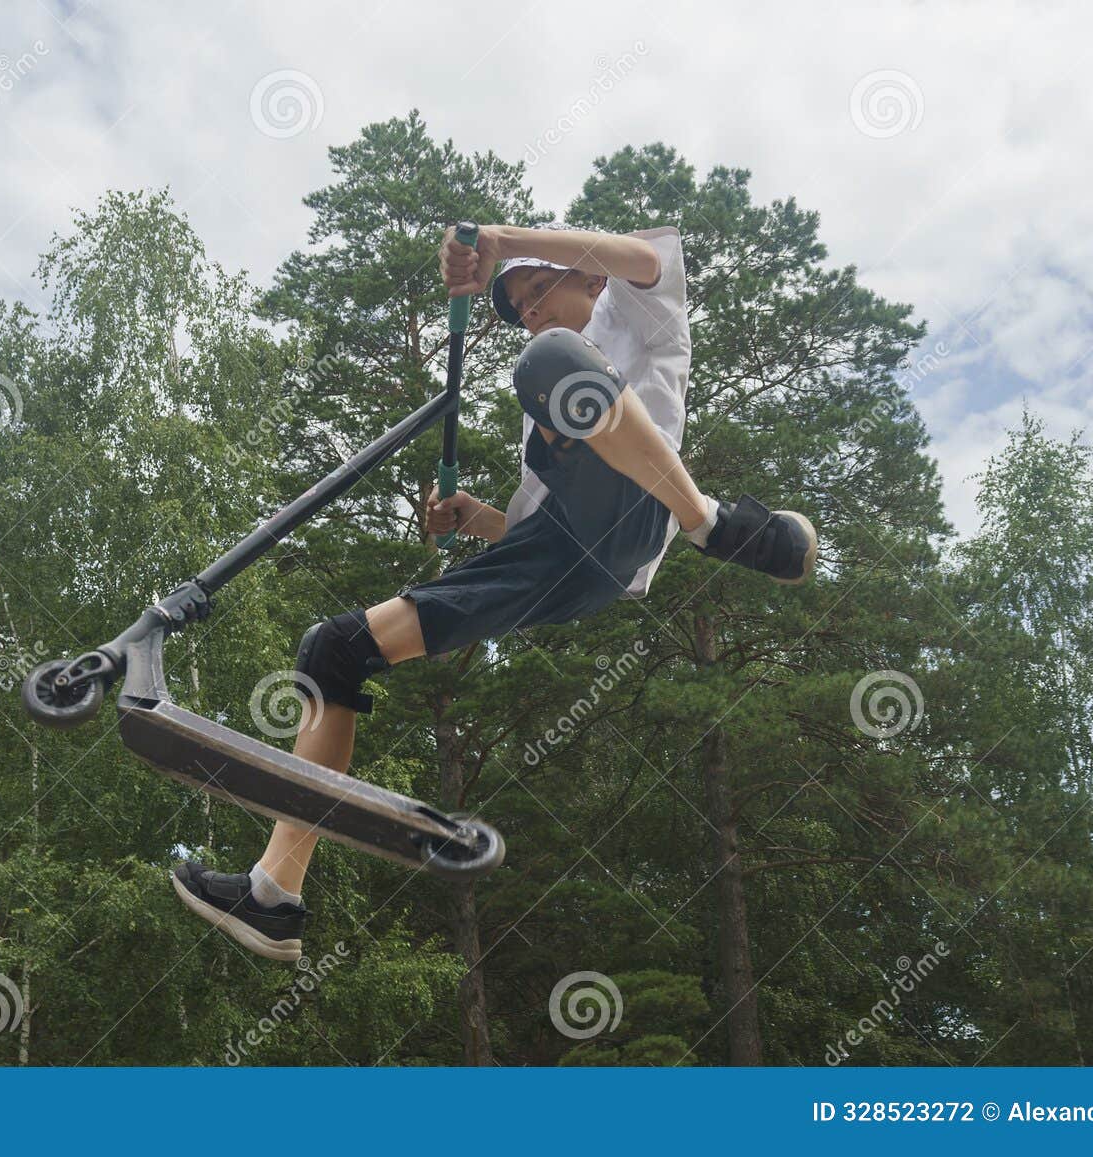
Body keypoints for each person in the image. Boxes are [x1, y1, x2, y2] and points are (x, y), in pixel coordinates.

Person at [172, 222, 817, 961]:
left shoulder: (642, 313)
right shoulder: (547, 407)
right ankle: (274, 894)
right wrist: (473, 517)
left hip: (640, 509)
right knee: (334, 650)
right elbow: (525, 532)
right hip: (555, 559)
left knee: (551, 365)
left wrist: (502, 244)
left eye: (538, 291)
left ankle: (711, 523)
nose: (531, 312)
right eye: (518, 306)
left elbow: (636, 257)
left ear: (588, 279)